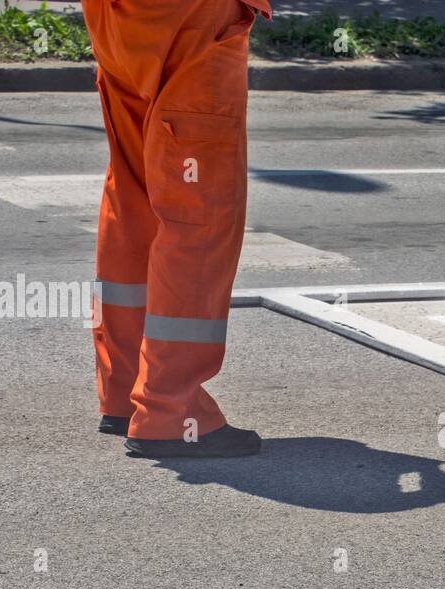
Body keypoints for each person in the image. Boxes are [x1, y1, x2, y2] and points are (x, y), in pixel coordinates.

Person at [81, 0, 272, 458]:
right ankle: (170, 411)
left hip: (118, 16)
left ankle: (126, 391)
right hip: (190, 17)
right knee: (198, 215)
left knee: (135, 199)